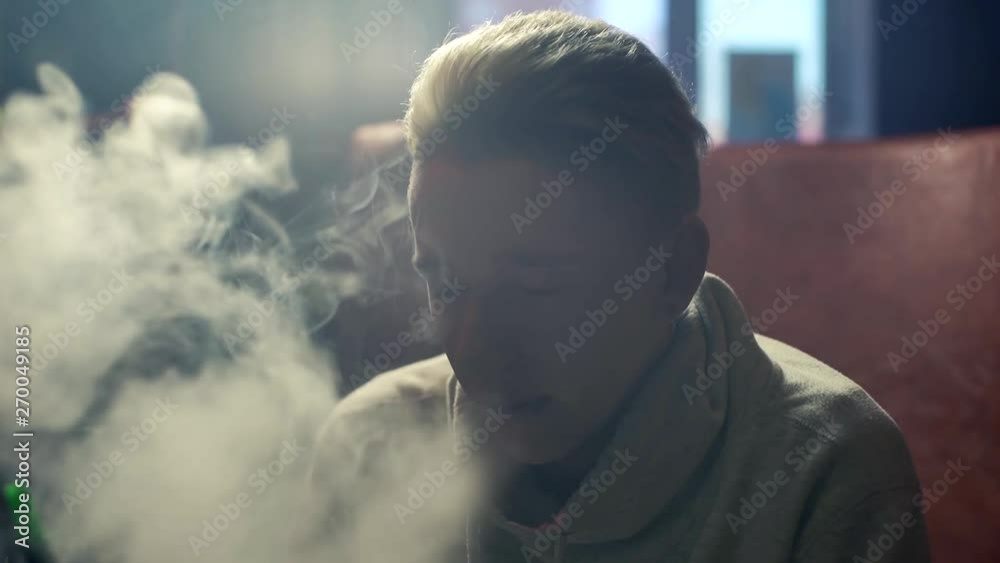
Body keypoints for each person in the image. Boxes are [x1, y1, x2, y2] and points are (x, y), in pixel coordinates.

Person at [297, 10, 931, 563]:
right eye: (447, 285)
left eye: (534, 286)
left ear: (673, 272)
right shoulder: (368, 445)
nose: (476, 353)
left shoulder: (824, 473)